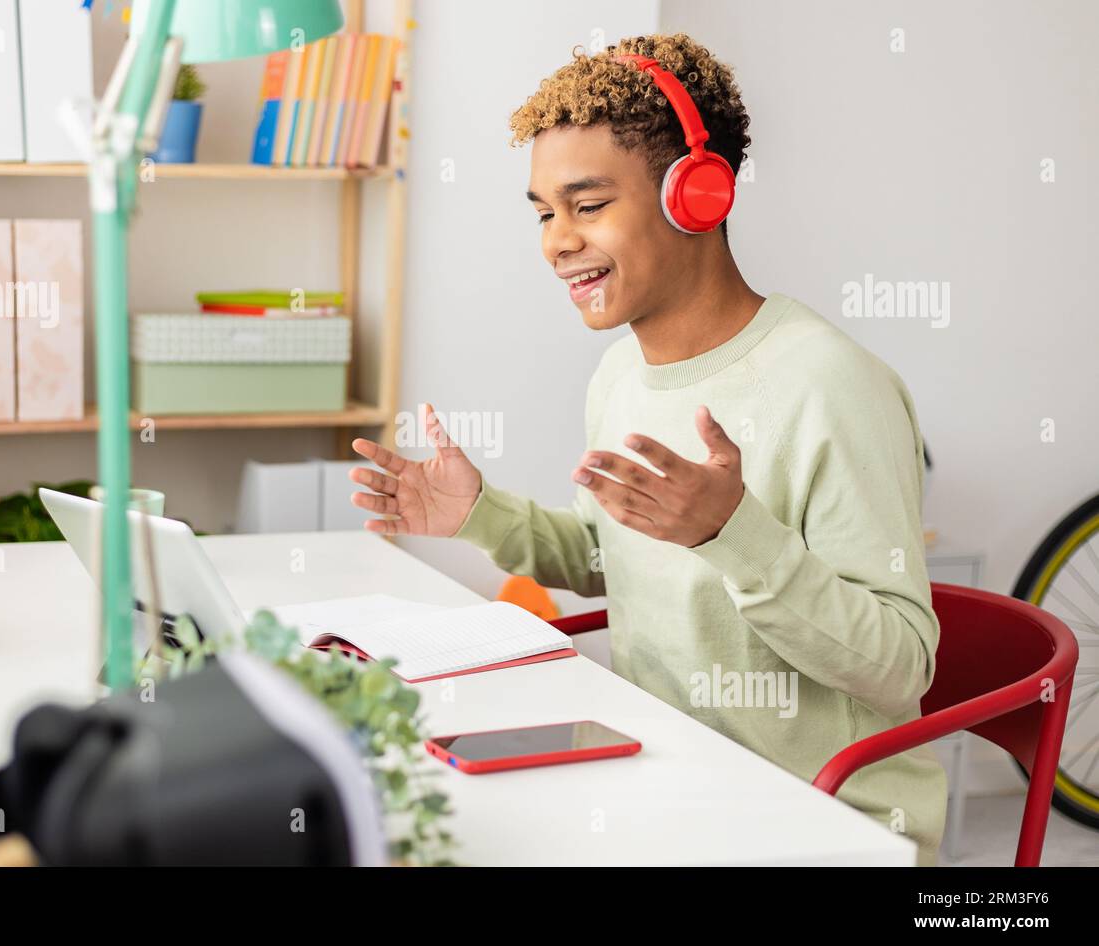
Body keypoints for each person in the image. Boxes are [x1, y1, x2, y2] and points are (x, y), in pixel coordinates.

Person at [349, 33, 945, 866]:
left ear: (696, 197)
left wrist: (732, 532)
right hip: (669, 775)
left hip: (819, 819)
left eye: (587, 207)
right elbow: (611, 556)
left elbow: (898, 664)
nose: (556, 242)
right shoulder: (620, 374)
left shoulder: (832, 386)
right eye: (544, 212)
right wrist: (478, 516)